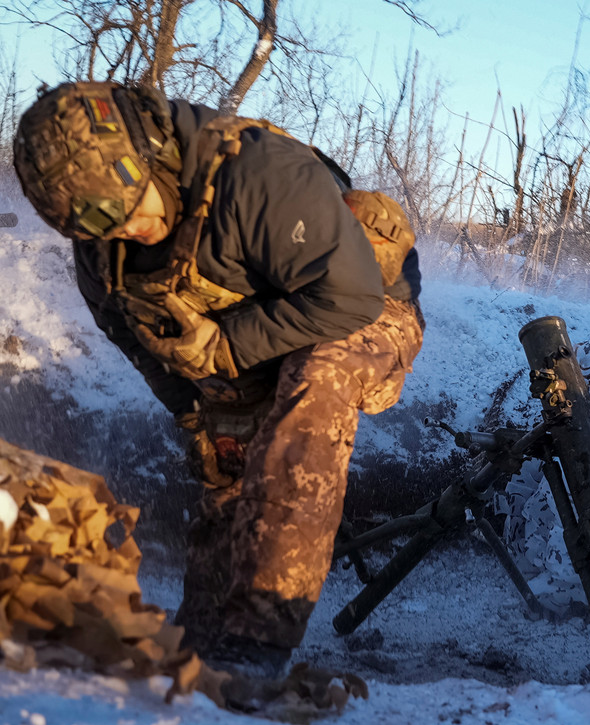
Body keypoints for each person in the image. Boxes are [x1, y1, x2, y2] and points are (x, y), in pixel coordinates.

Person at [12, 81, 425, 675]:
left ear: (149, 150)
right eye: (99, 221)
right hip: (259, 321)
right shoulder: (102, 256)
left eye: (129, 201)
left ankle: (259, 643)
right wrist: (198, 416)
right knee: (229, 458)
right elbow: (141, 344)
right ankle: (206, 646)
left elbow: (351, 298)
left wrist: (228, 346)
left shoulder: (259, 177)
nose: (127, 226)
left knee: (317, 379)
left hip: (366, 305)